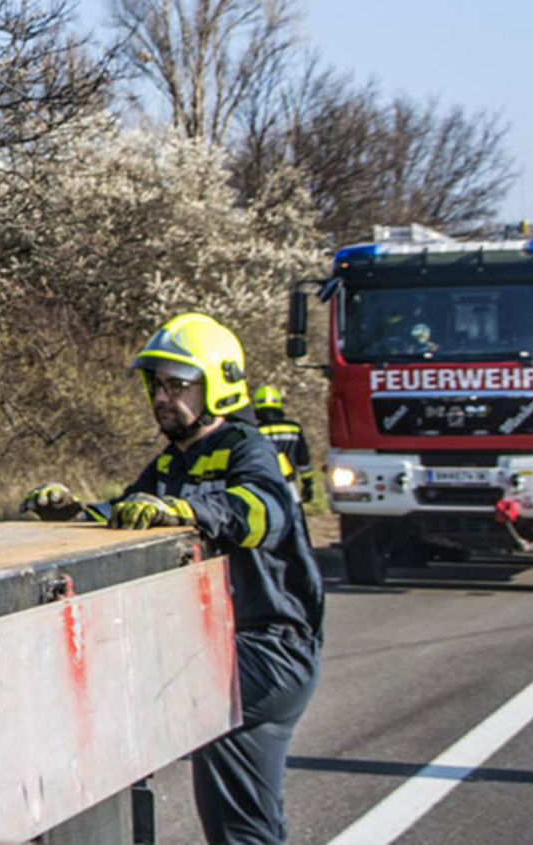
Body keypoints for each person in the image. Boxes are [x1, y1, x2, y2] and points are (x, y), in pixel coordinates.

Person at [20, 313, 323, 845]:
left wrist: (185, 510)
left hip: (269, 646)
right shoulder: (171, 464)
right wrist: (71, 512)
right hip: (231, 645)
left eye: (178, 385)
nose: (163, 397)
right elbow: (128, 511)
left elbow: (264, 512)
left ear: (219, 384)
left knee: (129, 702)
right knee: (239, 824)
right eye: (156, 384)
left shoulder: (247, 447)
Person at [251, 384, 314, 505]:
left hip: (262, 486)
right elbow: (303, 459)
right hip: (289, 485)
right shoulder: (294, 429)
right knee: (295, 519)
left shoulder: (254, 431)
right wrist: (308, 483)